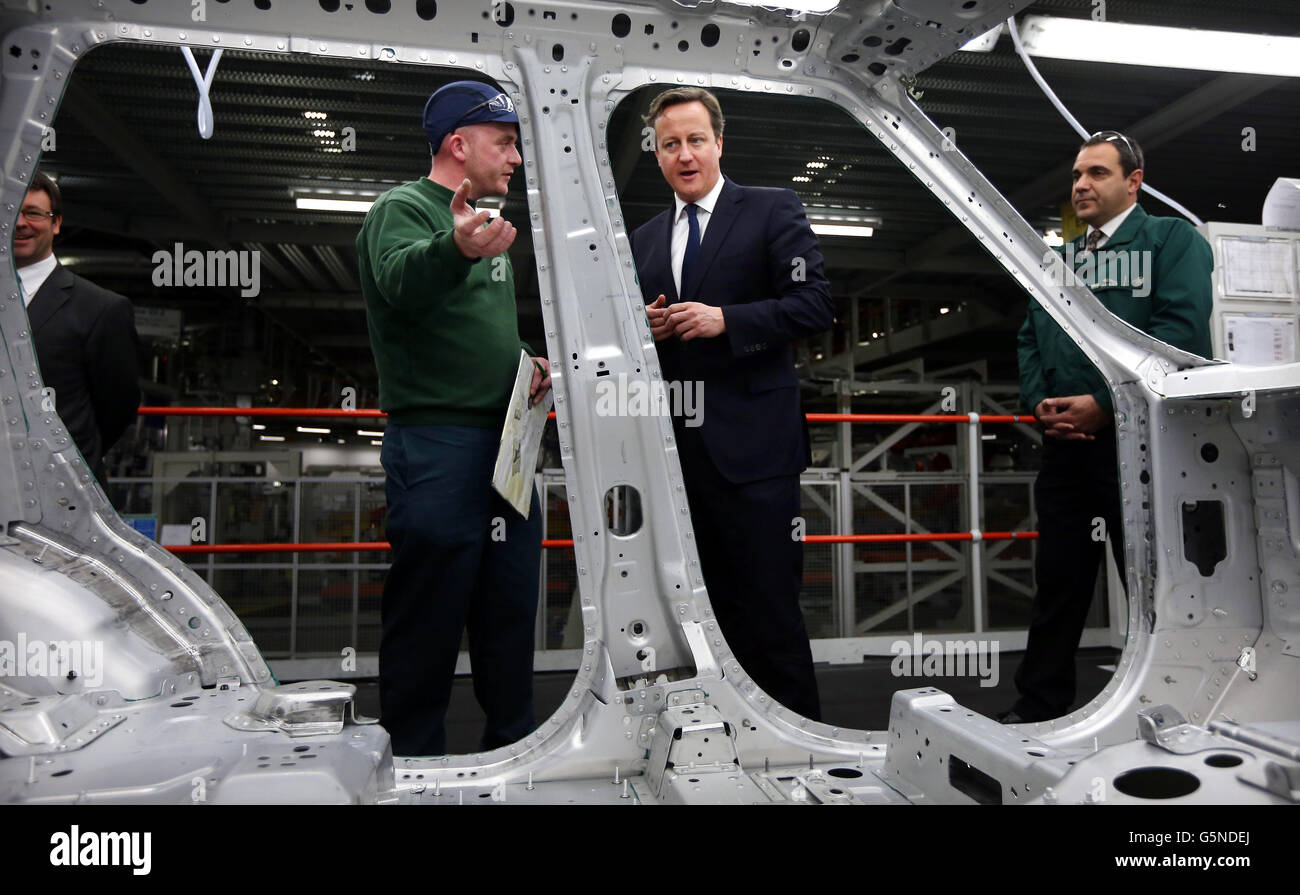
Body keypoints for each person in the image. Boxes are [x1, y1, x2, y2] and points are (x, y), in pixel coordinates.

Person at [356, 81, 551, 756]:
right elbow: (402, 283)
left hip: (506, 444)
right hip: (438, 444)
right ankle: (411, 759)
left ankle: (513, 747)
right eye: (505, 141)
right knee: (428, 615)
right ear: (458, 144)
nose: (516, 158)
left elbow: (476, 331)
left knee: (509, 608)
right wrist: (456, 249)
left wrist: (527, 363)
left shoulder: (488, 224)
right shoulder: (403, 209)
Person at [629, 87, 833, 721]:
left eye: (695, 140)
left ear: (719, 142)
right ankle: (723, 740)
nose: (684, 154)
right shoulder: (643, 238)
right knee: (694, 613)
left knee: (768, 611)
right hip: (675, 460)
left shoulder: (772, 210)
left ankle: (800, 744)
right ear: (657, 155)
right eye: (670, 144)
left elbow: (815, 304)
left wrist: (729, 320)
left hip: (755, 454)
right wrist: (648, 327)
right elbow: (630, 336)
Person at [1003, 131, 1213, 723]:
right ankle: (1039, 704)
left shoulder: (1172, 242)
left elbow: (1181, 336)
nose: (1080, 186)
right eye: (1076, 175)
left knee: (1155, 585)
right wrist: (1040, 404)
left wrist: (1104, 403)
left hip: (1144, 450)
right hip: (1067, 452)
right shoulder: (1061, 260)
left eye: (1096, 173)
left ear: (1134, 181)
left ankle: (1174, 706)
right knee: (1059, 585)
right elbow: (1029, 338)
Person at [14, 171, 140, 487]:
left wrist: (74, 455)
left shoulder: (101, 308)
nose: (20, 223)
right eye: (12, 211)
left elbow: (118, 406)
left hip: (63, 489)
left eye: (33, 213)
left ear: (56, 223)